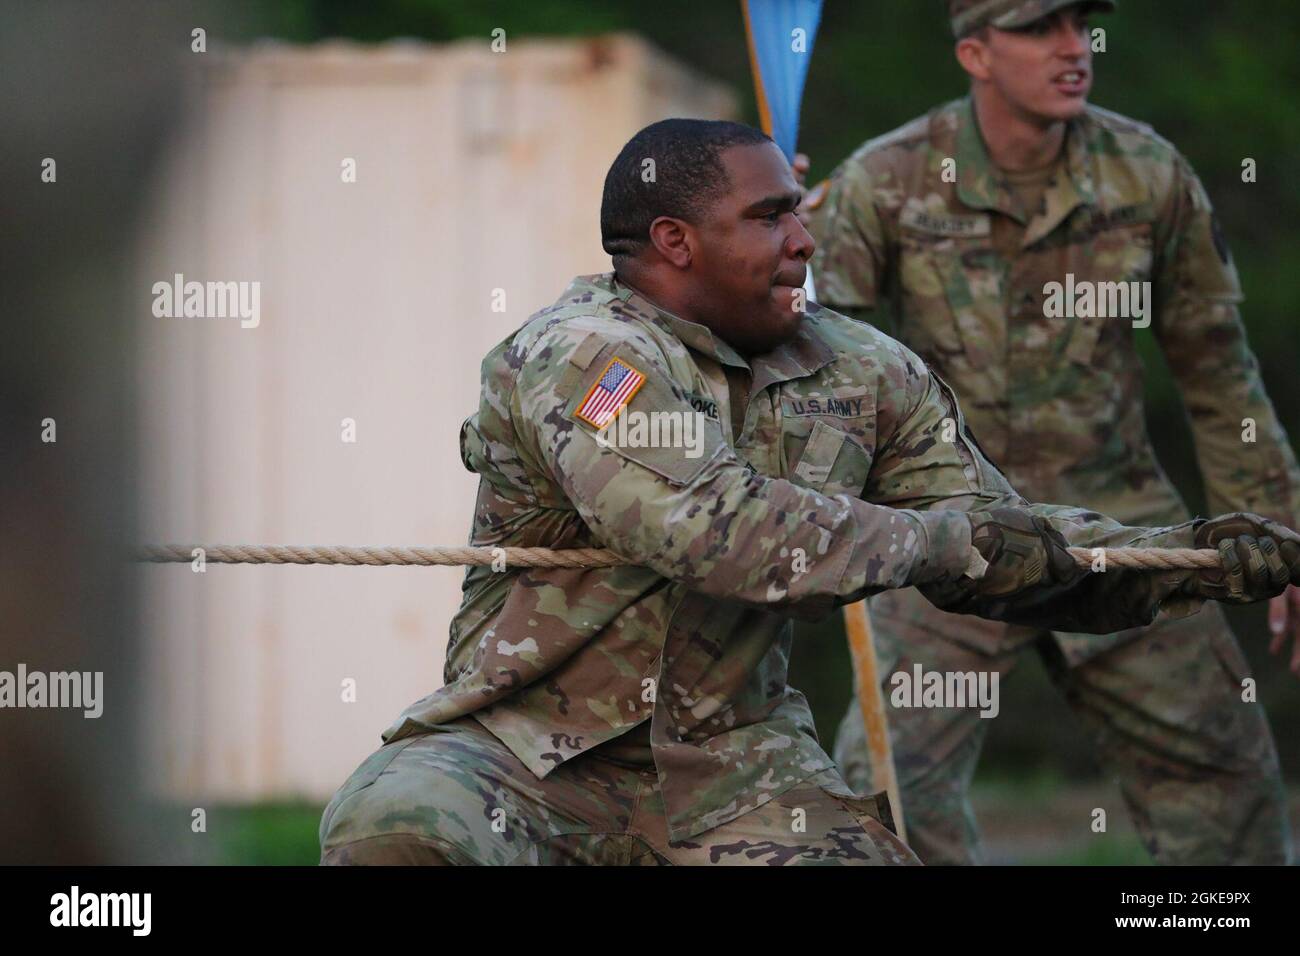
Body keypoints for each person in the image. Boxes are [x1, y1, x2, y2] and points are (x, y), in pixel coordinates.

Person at [319, 118, 1300, 866]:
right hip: (522, 746)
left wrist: (1197, 559)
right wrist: (950, 541)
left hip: (738, 762)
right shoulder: (585, 357)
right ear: (673, 240)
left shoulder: (864, 370)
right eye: (769, 215)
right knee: (394, 827)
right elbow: (714, 529)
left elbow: (1005, 549)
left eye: (797, 209)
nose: (803, 236)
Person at [806, 0, 1300, 864]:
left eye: (1081, 24)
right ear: (975, 53)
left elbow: (1217, 371)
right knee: (886, 797)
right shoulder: (885, 180)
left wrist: (1281, 530)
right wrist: (781, 236)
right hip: (952, 530)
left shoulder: (1146, 173)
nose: (1075, 47)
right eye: (1040, 29)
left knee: (1230, 801)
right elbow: (816, 354)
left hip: (1125, 524)